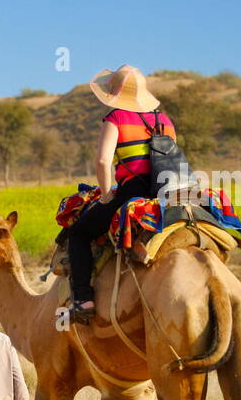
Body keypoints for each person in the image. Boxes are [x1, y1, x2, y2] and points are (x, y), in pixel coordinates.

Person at [64, 65, 177, 324]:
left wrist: (105, 195)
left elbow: (103, 162)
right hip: (166, 195)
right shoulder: (165, 120)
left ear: (115, 93)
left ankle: (83, 300)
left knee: (78, 234)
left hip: (133, 194)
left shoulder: (116, 118)